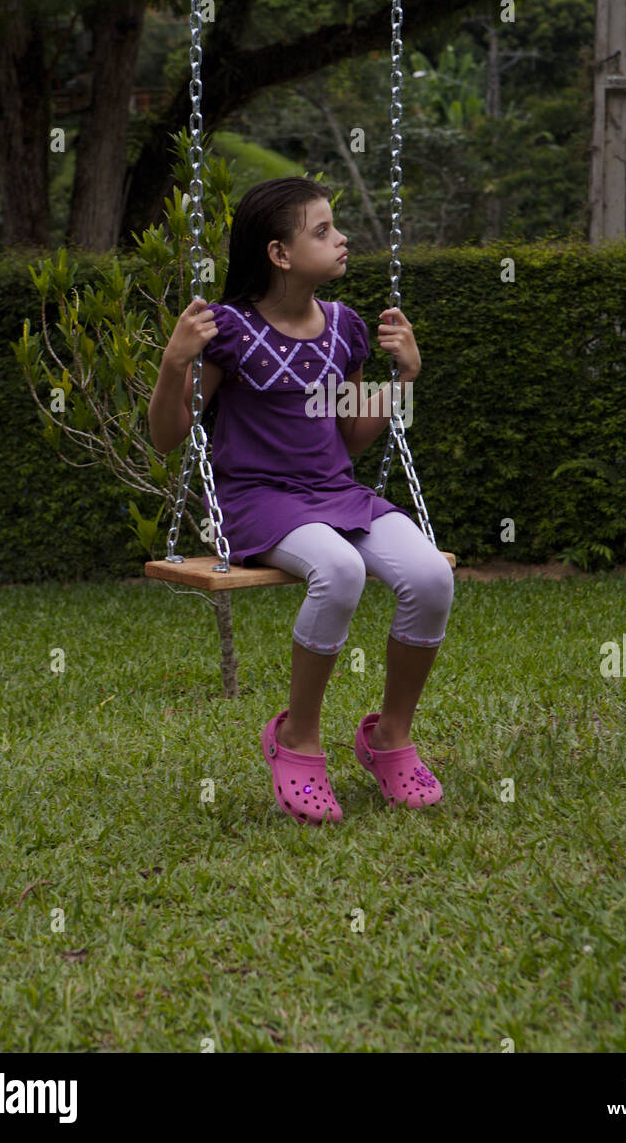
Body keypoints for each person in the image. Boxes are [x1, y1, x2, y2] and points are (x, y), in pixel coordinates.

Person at [148, 177, 454, 825]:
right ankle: (298, 739)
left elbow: (349, 431)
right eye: (321, 230)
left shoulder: (344, 326)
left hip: (336, 492)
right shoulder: (227, 331)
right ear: (279, 253)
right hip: (257, 501)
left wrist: (405, 379)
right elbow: (169, 434)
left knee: (429, 576)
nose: (340, 238)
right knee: (338, 572)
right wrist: (175, 363)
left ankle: (390, 737)